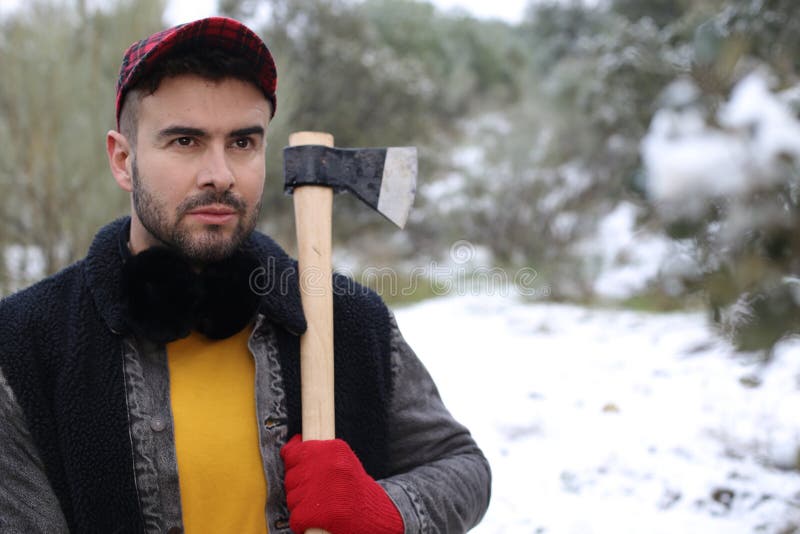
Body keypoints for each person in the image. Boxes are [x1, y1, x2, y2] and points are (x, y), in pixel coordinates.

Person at [0, 16, 490, 534]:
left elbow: (464, 467)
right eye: (185, 141)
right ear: (123, 159)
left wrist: (382, 509)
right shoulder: (24, 347)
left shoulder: (347, 320)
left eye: (242, 142)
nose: (221, 174)